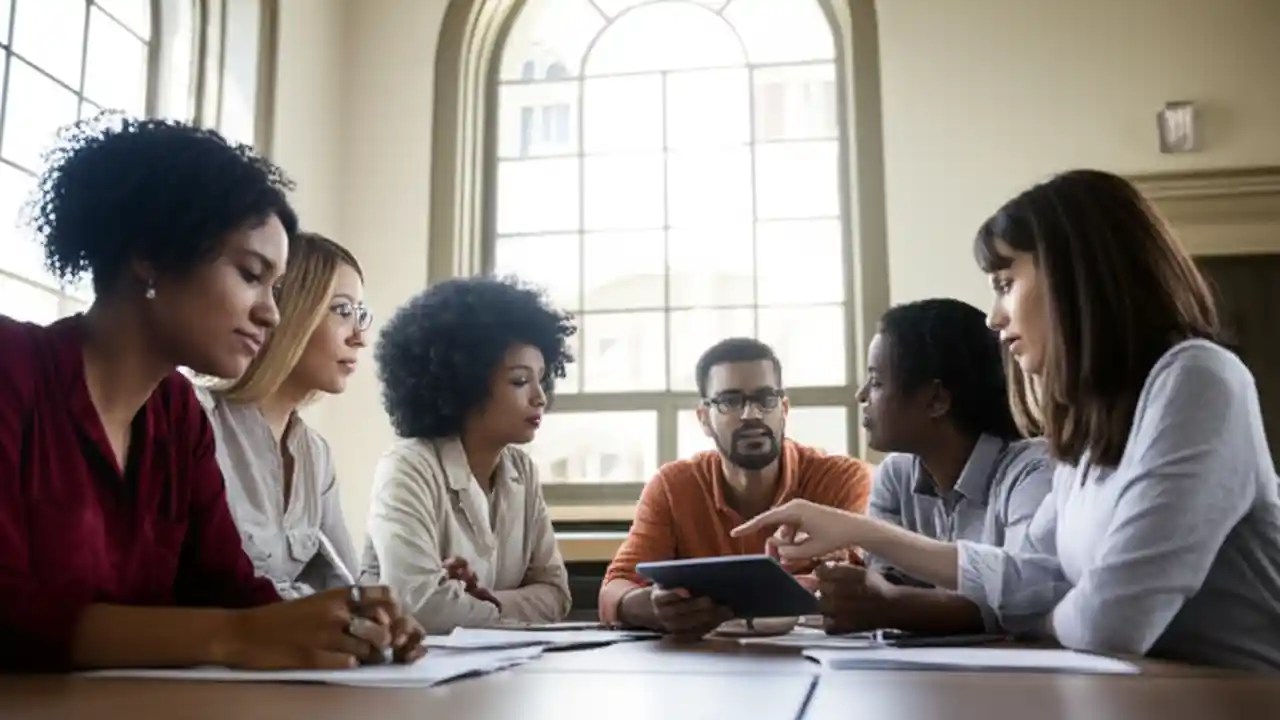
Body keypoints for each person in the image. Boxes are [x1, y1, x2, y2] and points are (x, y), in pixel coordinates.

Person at [734, 170, 1280, 670]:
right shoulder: (1089, 427)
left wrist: (1032, 620)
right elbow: (1032, 573)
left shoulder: (1198, 379)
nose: (995, 318)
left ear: (1074, 276)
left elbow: (1113, 620)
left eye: (1004, 284)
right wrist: (858, 530)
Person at [0, 115, 423, 671]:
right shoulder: (13, 369)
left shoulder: (177, 417)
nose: (271, 312)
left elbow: (232, 589)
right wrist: (234, 635)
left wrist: (352, 623)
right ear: (150, 252)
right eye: (251, 274)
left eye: (276, 288)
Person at [600, 338, 873, 638]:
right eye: (730, 401)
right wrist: (652, 607)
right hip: (706, 665)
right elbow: (616, 587)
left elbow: (866, 578)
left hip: (818, 659)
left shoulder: (842, 478)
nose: (751, 414)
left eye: (765, 399)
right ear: (704, 419)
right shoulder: (673, 486)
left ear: (783, 409)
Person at [818, 298, 1052, 635]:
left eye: (877, 382)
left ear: (936, 400)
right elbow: (885, 585)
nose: (861, 395)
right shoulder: (895, 477)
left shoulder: (1032, 473)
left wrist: (888, 605)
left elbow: (1027, 599)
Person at [360, 276, 574, 633]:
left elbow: (556, 594)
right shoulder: (408, 467)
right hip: (410, 677)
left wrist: (484, 600)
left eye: (542, 379)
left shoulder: (523, 470)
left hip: (499, 672)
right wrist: (505, 610)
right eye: (520, 381)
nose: (540, 397)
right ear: (467, 385)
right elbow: (423, 608)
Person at [197, 232, 369, 599]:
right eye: (342, 311)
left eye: (361, 315)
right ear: (290, 310)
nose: (360, 337)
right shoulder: (198, 420)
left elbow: (347, 586)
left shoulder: (316, 456)